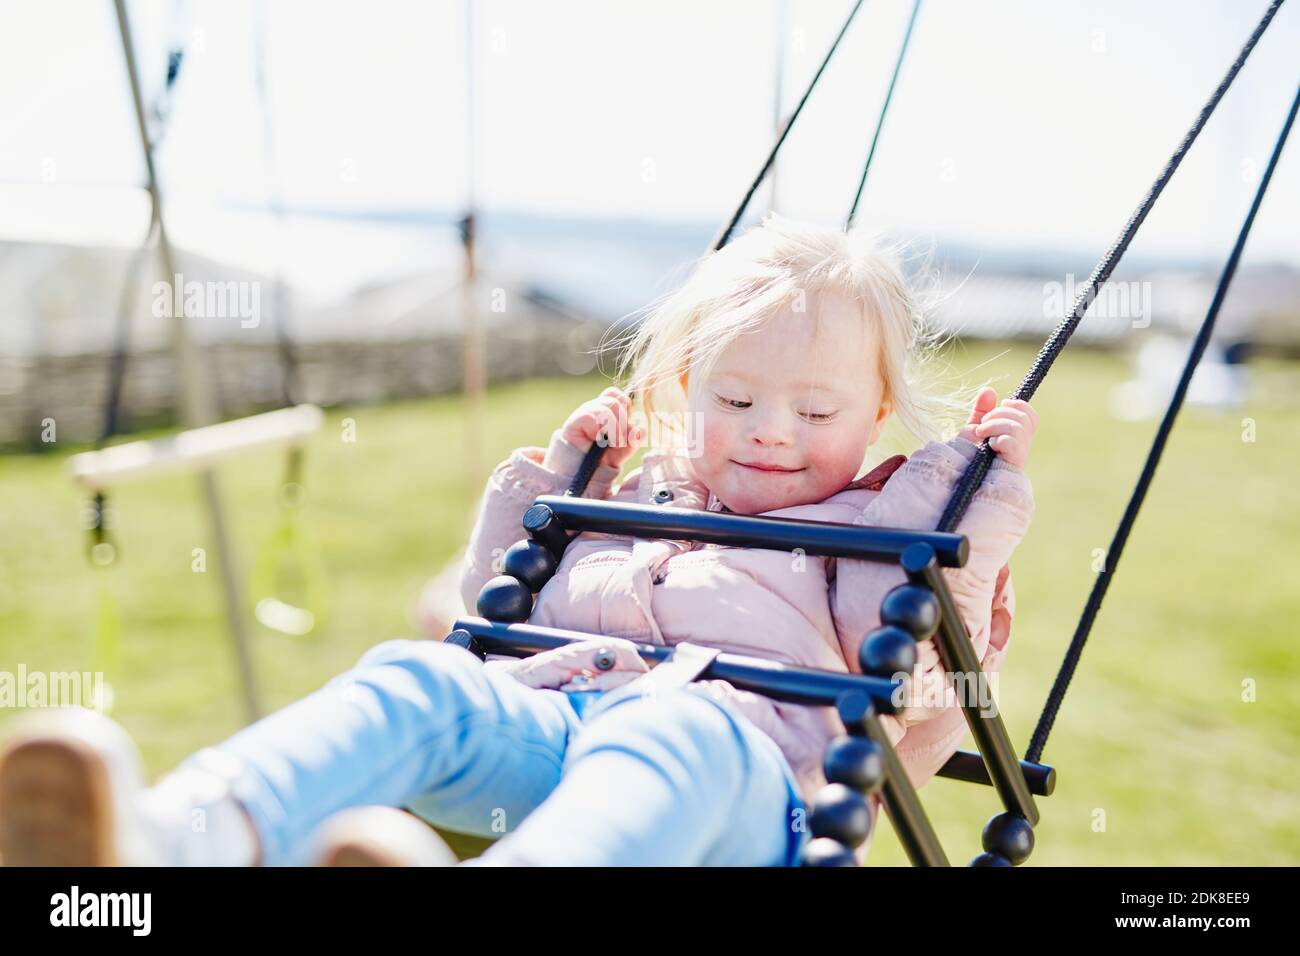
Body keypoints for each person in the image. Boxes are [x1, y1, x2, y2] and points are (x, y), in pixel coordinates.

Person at [0, 213, 1037, 867]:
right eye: (737, 395)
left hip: (742, 790)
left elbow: (924, 685)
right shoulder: (632, 501)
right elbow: (488, 614)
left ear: (878, 418)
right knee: (417, 678)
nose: (772, 429)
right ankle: (170, 840)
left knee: (671, 732)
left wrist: (971, 500)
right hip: (560, 734)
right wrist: (559, 487)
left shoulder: (871, 540)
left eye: (816, 414)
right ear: (683, 387)